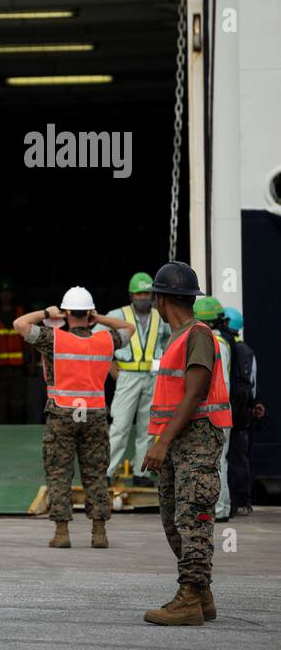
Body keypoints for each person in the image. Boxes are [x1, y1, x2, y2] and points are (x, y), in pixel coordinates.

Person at [141, 262, 232, 627]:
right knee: (172, 519)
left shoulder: (198, 335)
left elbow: (195, 393)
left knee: (192, 519)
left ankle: (190, 597)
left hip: (195, 438)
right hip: (178, 441)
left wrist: (161, 442)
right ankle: (202, 595)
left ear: (162, 300)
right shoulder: (178, 337)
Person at [14, 288, 134, 549]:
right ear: (88, 313)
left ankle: (62, 532)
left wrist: (47, 313)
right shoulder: (105, 340)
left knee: (59, 472)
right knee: (95, 472)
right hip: (94, 414)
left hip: (62, 413)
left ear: (66, 313)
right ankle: (99, 532)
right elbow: (129, 327)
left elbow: (20, 324)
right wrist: (98, 318)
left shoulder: (53, 339)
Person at [101, 272, 170, 485]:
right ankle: (106, 473)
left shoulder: (161, 315)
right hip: (127, 375)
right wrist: (109, 361)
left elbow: (171, 338)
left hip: (153, 376)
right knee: (120, 426)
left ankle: (142, 473)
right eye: (139, 293)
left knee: (147, 428)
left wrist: (164, 360)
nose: (143, 297)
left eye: (146, 293)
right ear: (131, 295)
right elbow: (97, 337)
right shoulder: (118, 314)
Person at [192, 297, 234, 521]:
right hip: (223, 410)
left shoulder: (208, 343)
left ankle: (217, 509)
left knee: (214, 463)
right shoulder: (224, 342)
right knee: (221, 461)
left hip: (213, 413)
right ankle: (223, 508)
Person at [222, 306, 264, 516]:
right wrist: (252, 405)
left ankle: (227, 501)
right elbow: (252, 383)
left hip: (225, 409)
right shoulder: (247, 352)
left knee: (224, 458)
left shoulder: (222, 346)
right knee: (240, 457)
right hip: (242, 413)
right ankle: (242, 500)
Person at [0, 277, 28, 424]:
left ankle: (17, 438)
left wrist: (32, 361)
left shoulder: (21, 312)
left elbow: (29, 338)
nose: (5, 295)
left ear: (12, 294)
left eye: (8, 292)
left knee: (18, 406)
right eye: (3, 292)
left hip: (18, 368)